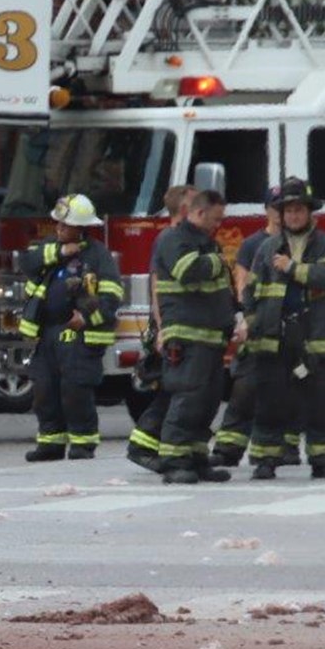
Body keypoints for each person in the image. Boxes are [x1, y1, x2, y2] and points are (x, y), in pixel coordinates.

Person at [244, 178, 325, 480]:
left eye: (299, 210)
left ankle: (324, 459)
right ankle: (266, 459)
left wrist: (292, 268)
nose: (293, 216)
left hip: (316, 335)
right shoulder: (266, 248)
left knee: (320, 400)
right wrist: (252, 323)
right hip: (275, 336)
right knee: (271, 400)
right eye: (288, 210)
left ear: (310, 212)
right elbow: (251, 290)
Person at [16, 193, 124, 461]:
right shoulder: (51, 248)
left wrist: (86, 319)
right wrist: (60, 252)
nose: (59, 229)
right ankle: (50, 442)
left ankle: (82, 443)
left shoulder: (98, 256)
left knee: (75, 389)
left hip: (78, 333)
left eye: (65, 225)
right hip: (47, 332)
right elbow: (27, 263)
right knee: (44, 388)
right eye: (59, 224)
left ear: (81, 227)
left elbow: (111, 297)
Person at [152, 186, 235, 484]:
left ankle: (196, 458)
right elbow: (188, 270)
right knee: (187, 399)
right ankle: (173, 461)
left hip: (210, 337)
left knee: (208, 400)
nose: (219, 224)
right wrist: (217, 262)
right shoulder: (174, 238)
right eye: (216, 218)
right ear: (198, 213)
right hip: (187, 336)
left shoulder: (204, 241)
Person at [209, 186, 282, 468]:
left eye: (284, 206)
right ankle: (227, 449)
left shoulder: (296, 242)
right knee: (245, 389)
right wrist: (244, 317)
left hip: (286, 329)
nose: (279, 212)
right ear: (267, 209)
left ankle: (277, 451)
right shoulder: (253, 244)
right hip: (257, 326)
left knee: (280, 391)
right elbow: (241, 285)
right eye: (275, 206)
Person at [127, 184, 193, 473]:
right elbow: (157, 286)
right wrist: (162, 328)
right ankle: (141, 446)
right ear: (183, 209)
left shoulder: (185, 238)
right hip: (171, 326)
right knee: (171, 389)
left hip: (184, 325)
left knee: (180, 388)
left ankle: (164, 447)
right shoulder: (168, 239)